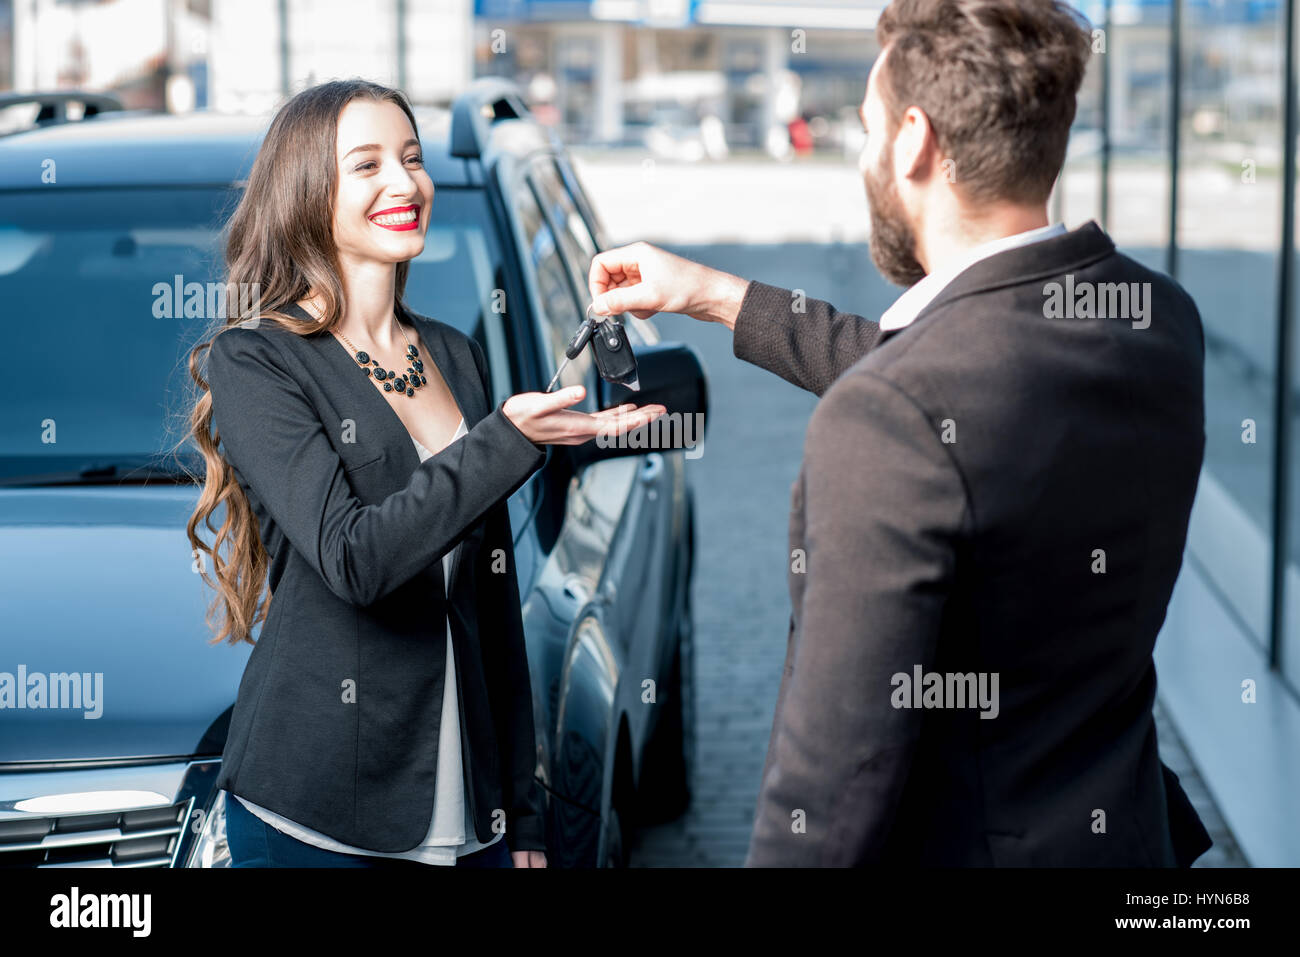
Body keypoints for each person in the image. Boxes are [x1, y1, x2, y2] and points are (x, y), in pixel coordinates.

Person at [588, 0, 1212, 866]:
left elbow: (829, 788)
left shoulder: (893, 416)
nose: (861, 153)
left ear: (915, 141)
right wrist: (708, 291)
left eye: (867, 126)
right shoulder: (1156, 320)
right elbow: (945, 374)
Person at [185, 79, 664, 868]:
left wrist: (526, 811)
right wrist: (507, 440)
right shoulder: (259, 361)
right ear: (309, 190)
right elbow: (355, 559)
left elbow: (492, 599)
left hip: (472, 819)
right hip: (320, 822)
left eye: (412, 159)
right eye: (368, 165)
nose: (405, 183)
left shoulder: (455, 356)